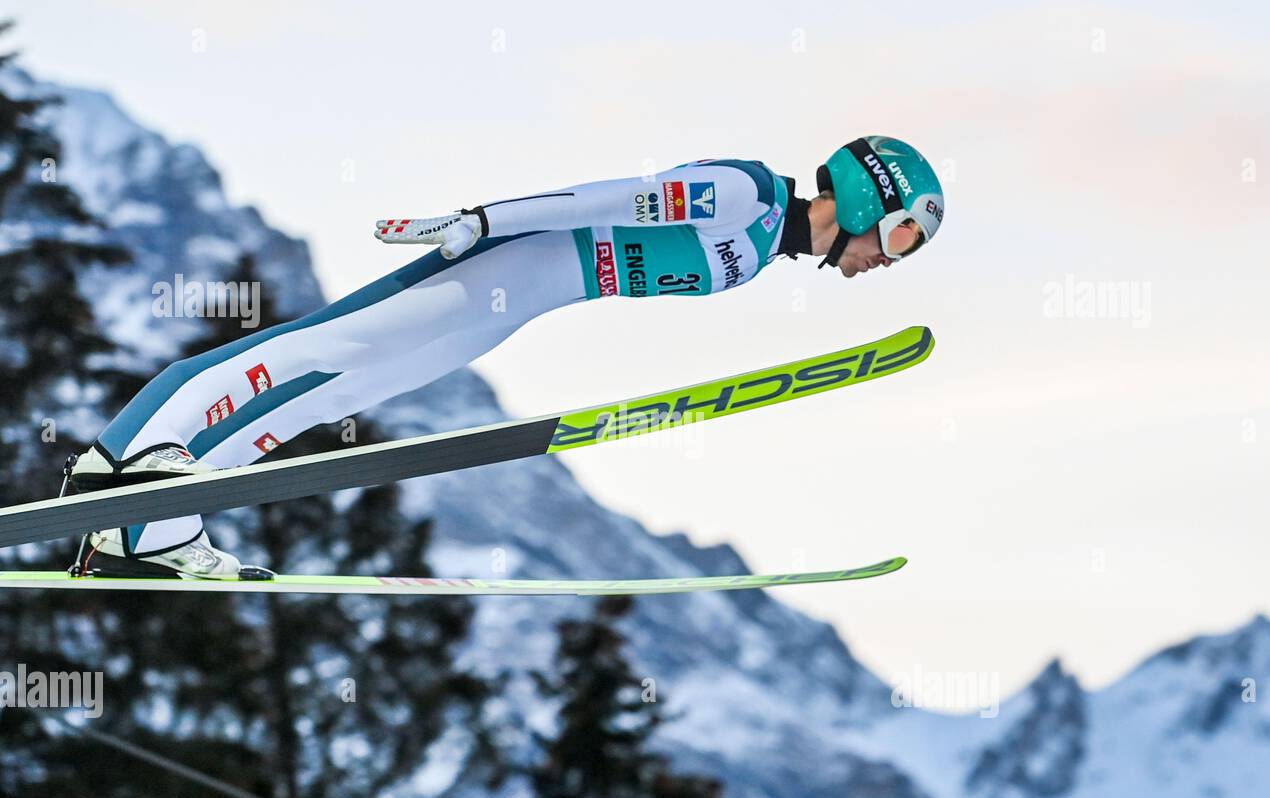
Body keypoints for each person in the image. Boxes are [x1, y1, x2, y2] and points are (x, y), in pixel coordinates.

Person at [69, 135, 945, 577]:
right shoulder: (751, 194)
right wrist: (486, 221)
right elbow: (619, 197)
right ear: (871, 195)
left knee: (340, 388)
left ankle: (152, 524)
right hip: (499, 265)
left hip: (518, 304)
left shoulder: (759, 254)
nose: (890, 259)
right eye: (902, 234)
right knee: (317, 349)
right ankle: (123, 465)